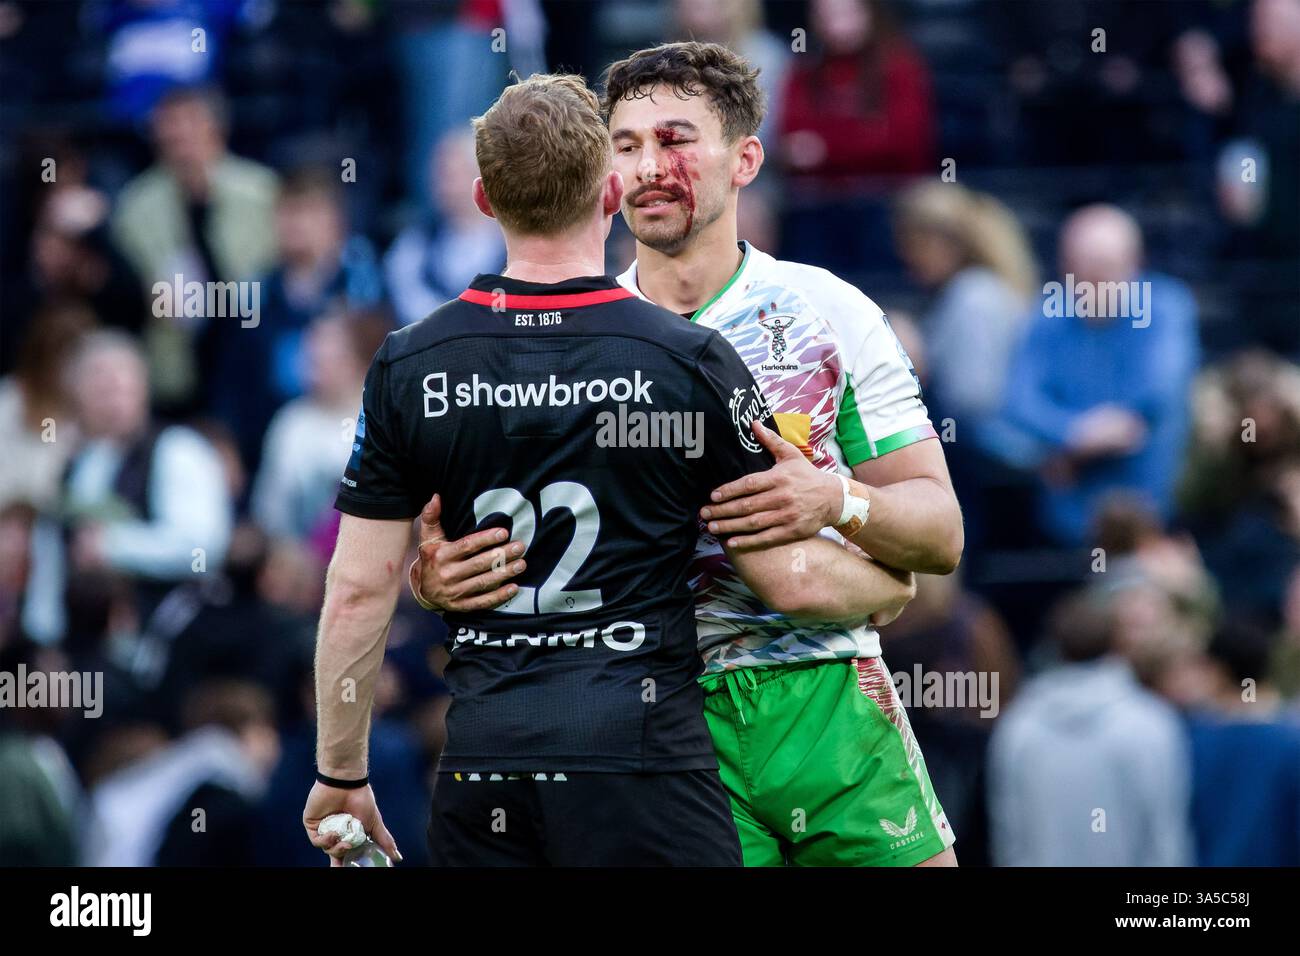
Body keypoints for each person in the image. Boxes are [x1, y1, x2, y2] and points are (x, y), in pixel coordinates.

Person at [303, 73, 915, 867]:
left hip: (489, 757)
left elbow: (355, 590)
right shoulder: (687, 360)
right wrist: (892, 583)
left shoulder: (409, 363)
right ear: (608, 191)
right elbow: (788, 576)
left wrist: (340, 773)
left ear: (485, 199)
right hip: (643, 759)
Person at [987, 590, 1193, 867]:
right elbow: (1164, 836)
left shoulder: (1018, 725)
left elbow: (1008, 832)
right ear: (1117, 642)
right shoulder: (1151, 723)